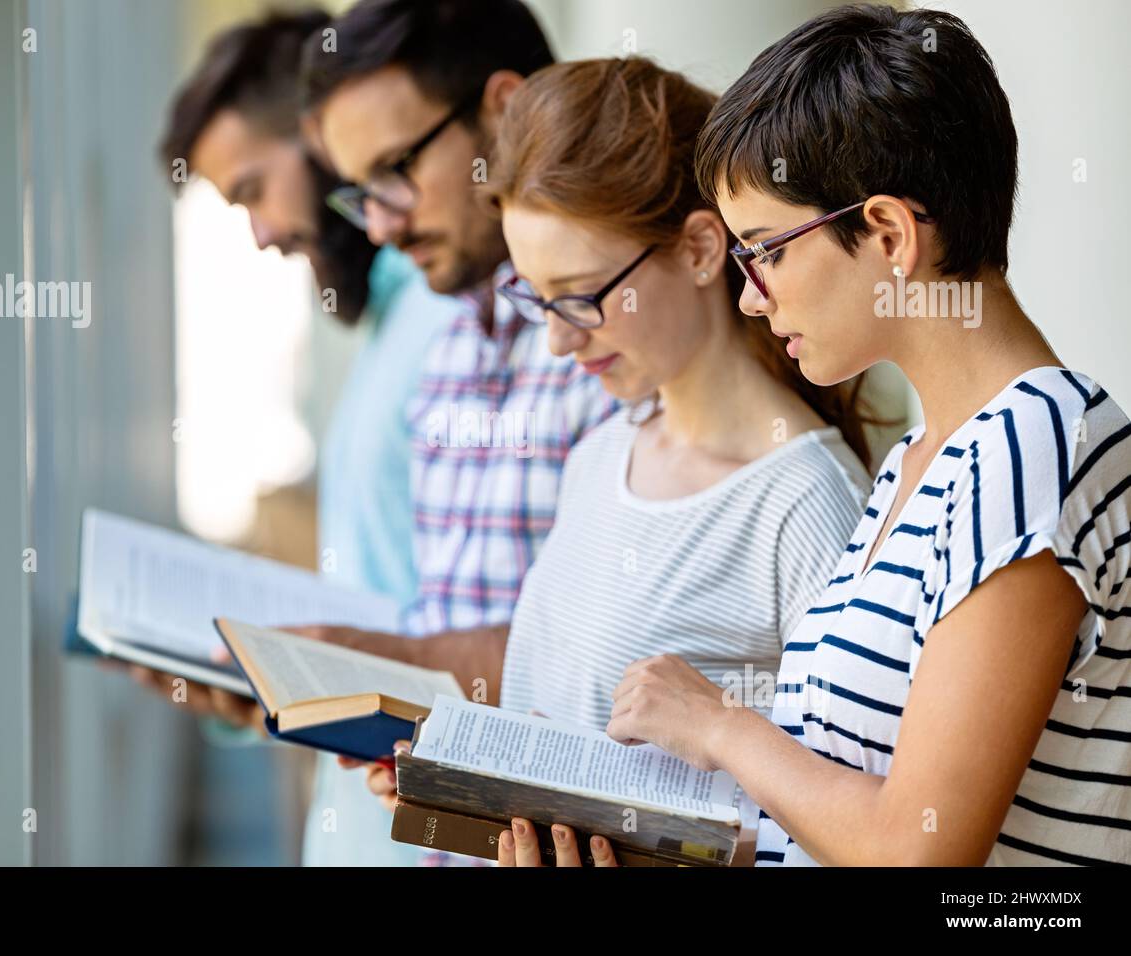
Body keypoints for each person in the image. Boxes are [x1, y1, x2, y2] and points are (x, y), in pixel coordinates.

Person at [590, 4, 1131, 867]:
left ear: (887, 234)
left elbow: (918, 852)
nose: (750, 299)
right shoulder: (923, 463)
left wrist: (721, 727)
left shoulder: (1037, 444)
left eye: (764, 250)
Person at [348, 55, 877, 865]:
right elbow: (566, 733)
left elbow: (852, 832)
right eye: (536, 298)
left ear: (702, 250)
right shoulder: (600, 457)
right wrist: (464, 780)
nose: (557, 341)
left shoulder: (808, 504)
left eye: (582, 297)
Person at [126, 10, 462, 865]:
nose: (262, 232)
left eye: (251, 189)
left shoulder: (459, 312)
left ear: (322, 140)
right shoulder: (395, 315)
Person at [289, 0, 616, 864]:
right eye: (360, 191)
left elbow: (627, 666)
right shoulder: (447, 353)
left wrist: (387, 661)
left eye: (396, 170)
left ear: (503, 108)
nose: (382, 226)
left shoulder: (615, 346)